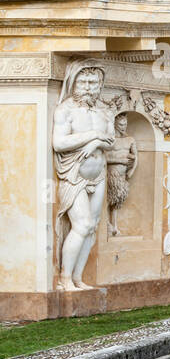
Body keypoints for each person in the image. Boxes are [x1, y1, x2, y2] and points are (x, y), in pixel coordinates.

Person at [52, 64, 113, 290]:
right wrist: (94, 135)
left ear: (100, 86)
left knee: (92, 226)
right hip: (74, 174)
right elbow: (58, 143)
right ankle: (64, 278)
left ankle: (78, 278)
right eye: (83, 83)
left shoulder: (105, 111)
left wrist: (98, 141)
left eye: (93, 83)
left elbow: (111, 140)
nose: (88, 88)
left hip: (98, 175)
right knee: (83, 224)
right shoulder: (65, 110)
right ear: (74, 83)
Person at [104, 114, 137, 237]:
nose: (123, 127)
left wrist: (132, 170)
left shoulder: (130, 139)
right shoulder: (110, 139)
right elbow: (105, 158)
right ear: (115, 125)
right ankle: (107, 224)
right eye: (121, 125)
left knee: (118, 201)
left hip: (123, 176)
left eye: (125, 124)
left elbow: (136, 157)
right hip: (112, 174)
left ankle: (115, 226)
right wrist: (120, 161)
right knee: (109, 199)